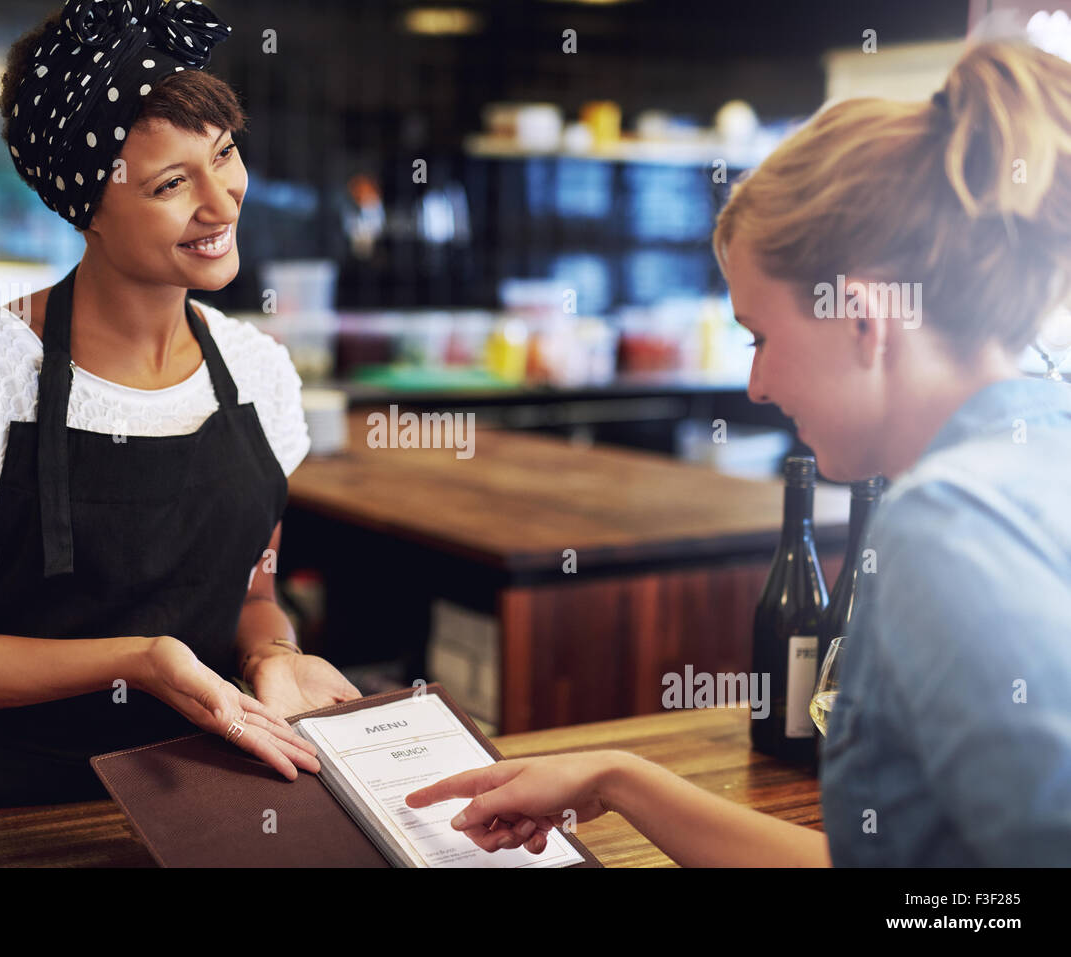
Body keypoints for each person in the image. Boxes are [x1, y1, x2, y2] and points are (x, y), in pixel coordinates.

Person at [407, 38, 1071, 866]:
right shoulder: (1045, 446)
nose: (754, 383)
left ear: (863, 318)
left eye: (759, 335)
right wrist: (618, 776)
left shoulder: (951, 522)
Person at [0, 0, 359, 820]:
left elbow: (249, 588)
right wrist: (139, 660)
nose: (222, 201)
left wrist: (273, 648)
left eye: (225, 154)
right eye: (173, 183)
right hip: (19, 815)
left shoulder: (258, 371)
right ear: (86, 207)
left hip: (211, 797)